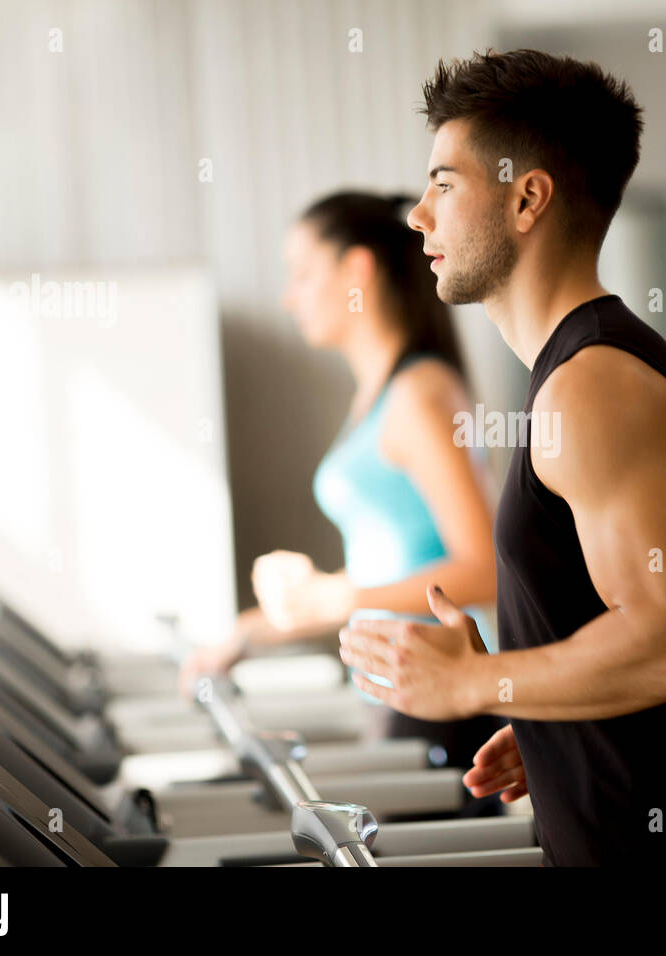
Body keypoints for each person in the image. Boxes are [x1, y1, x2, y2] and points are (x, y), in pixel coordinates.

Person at [338, 50, 666, 863]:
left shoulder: (590, 389)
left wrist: (472, 683)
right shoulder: (596, 368)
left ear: (526, 198)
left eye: (444, 185)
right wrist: (574, 711)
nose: (419, 215)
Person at [180, 190, 506, 816]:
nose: (288, 295)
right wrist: (260, 626)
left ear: (357, 271)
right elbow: (396, 563)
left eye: (302, 273)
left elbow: (485, 567)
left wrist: (336, 598)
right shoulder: (380, 392)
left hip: (440, 702)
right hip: (400, 691)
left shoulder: (418, 393)